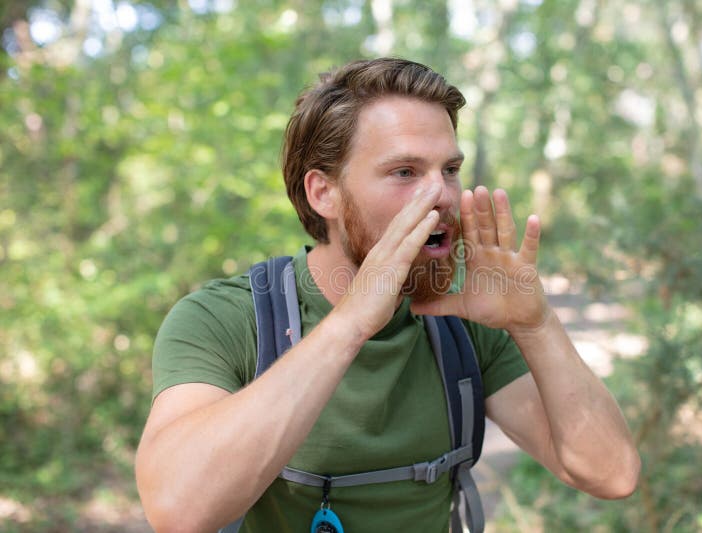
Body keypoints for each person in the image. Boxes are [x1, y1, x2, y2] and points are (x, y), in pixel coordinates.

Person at [135, 58, 640, 533]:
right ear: (322, 193)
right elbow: (179, 508)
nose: (440, 196)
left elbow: (611, 474)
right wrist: (351, 324)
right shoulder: (225, 318)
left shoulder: (467, 323)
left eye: (449, 170)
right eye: (405, 173)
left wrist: (536, 325)